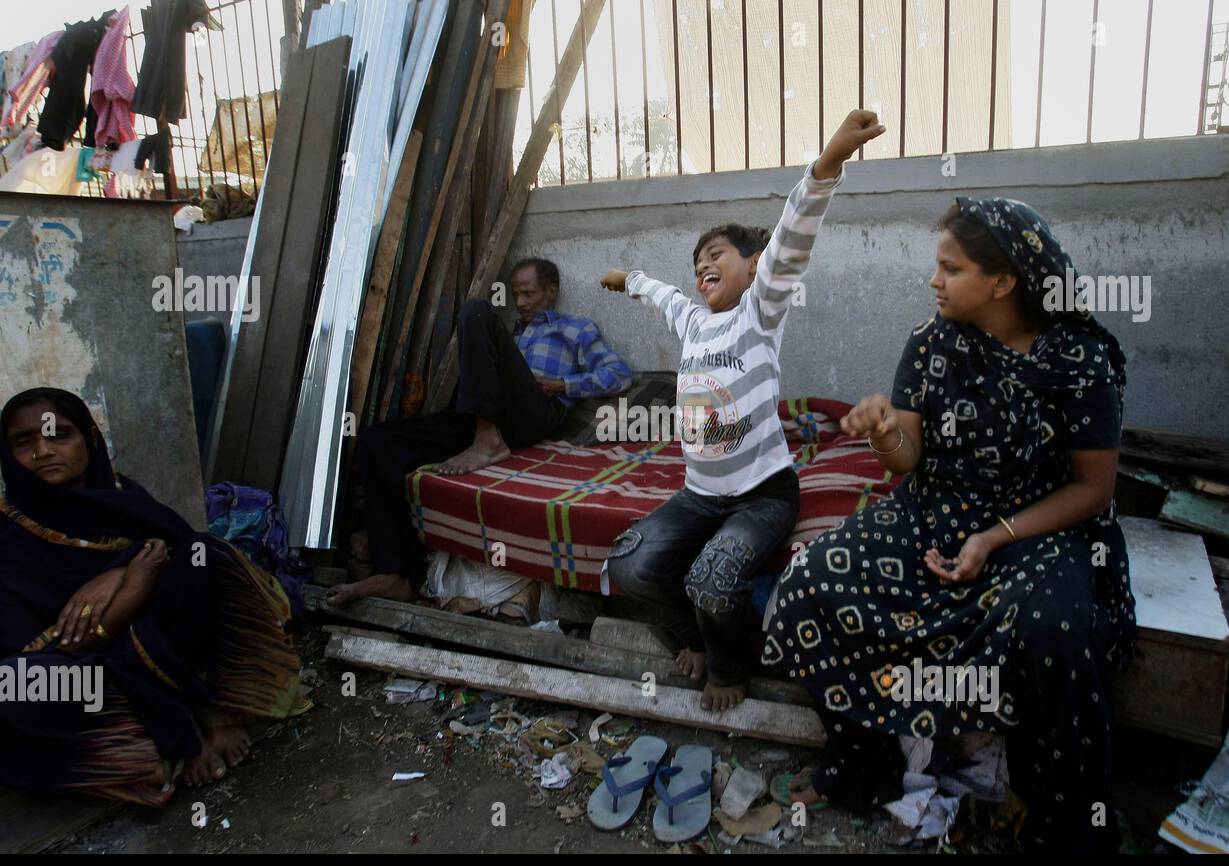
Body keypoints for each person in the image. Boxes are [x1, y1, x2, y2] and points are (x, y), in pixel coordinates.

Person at [764, 197, 1137, 852]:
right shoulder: (930, 342)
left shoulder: (1077, 359)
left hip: (1035, 529)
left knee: (1058, 630)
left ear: (1003, 280)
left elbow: (1093, 487)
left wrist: (995, 537)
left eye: (950, 267)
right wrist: (883, 434)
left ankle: (1063, 822)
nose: (933, 280)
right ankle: (866, 764)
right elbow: (908, 459)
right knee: (806, 586)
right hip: (930, 511)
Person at [599, 110, 887, 712]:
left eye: (719, 253)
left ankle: (731, 667)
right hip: (700, 493)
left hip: (763, 494)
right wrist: (630, 280)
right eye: (699, 258)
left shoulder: (759, 311)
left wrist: (826, 164)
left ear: (752, 267)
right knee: (628, 563)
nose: (705, 262)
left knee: (713, 578)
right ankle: (691, 640)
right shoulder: (694, 321)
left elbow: (789, 240)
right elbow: (664, 294)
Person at [0, 388, 303, 805]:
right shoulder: (11, 534)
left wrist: (121, 573)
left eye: (59, 435)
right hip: (90, 674)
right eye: (24, 442)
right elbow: (50, 646)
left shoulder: (123, 498)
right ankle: (163, 745)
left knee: (204, 556)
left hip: (157, 642)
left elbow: (176, 553)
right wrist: (131, 590)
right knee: (14, 687)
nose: (43, 451)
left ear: (90, 439)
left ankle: (218, 706)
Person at [327, 258, 633, 605]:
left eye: (529, 293)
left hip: (534, 415)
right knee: (375, 442)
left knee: (476, 310)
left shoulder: (576, 330)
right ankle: (397, 573)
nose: (520, 302)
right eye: (516, 295)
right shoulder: (510, 335)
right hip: (489, 415)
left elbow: (620, 373)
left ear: (552, 292)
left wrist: (559, 383)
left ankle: (487, 441)